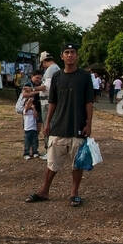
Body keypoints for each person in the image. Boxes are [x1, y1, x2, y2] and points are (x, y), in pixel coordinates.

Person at [30, 44, 99, 206]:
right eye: (66, 52)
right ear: (62, 56)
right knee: (52, 163)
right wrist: (47, 122)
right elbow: (52, 102)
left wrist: (89, 124)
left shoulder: (84, 77)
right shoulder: (57, 77)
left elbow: (89, 102)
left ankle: (74, 193)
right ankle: (44, 191)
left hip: (78, 127)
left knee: (77, 163)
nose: (70, 55)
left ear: (77, 55)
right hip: (58, 126)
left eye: (72, 52)